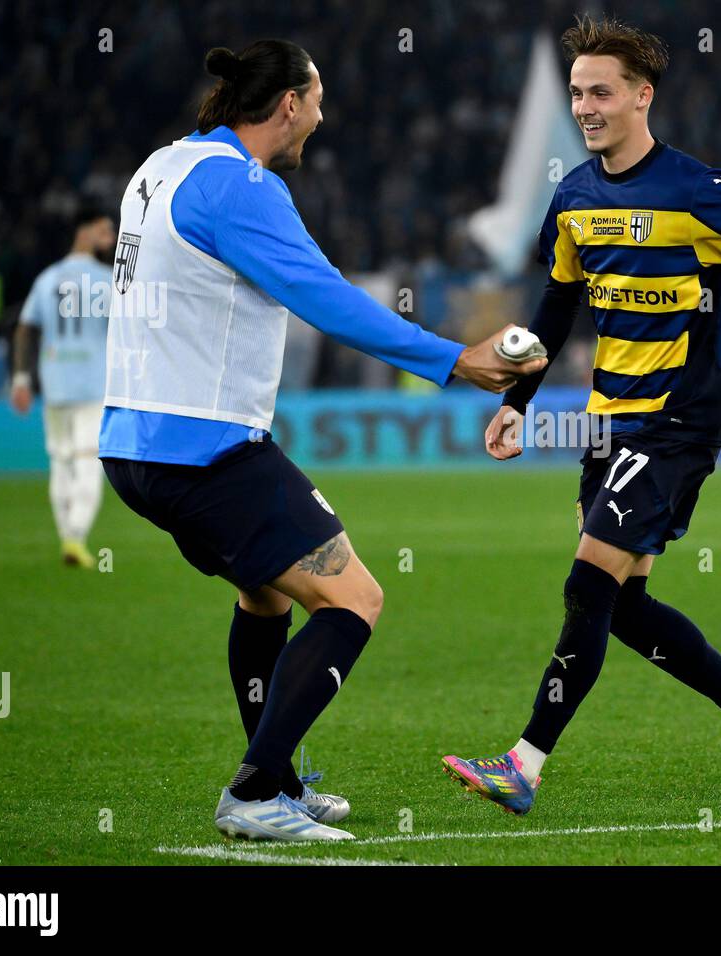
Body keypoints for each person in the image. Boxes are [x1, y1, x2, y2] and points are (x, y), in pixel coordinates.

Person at [442, 16, 721, 816]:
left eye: (601, 92)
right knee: (625, 604)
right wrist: (515, 401)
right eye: (578, 92)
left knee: (587, 586)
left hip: (676, 425)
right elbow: (554, 313)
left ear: (642, 97)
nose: (586, 107)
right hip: (607, 421)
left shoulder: (699, 192)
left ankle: (524, 763)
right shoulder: (575, 198)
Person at [98, 39, 544, 841]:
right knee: (355, 600)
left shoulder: (160, 166)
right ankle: (255, 793)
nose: (324, 116)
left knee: (266, 595)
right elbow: (326, 298)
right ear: (289, 105)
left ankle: (280, 781)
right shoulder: (243, 185)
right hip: (206, 447)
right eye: (318, 99)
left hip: (132, 443)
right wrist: (455, 359)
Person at [10, 205, 117, 567]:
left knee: (59, 461)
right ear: (84, 232)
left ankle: (66, 537)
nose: (112, 238)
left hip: (54, 384)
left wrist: (21, 379)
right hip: (92, 385)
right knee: (89, 461)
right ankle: (75, 537)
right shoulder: (107, 281)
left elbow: (25, 329)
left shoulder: (47, 278)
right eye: (105, 231)